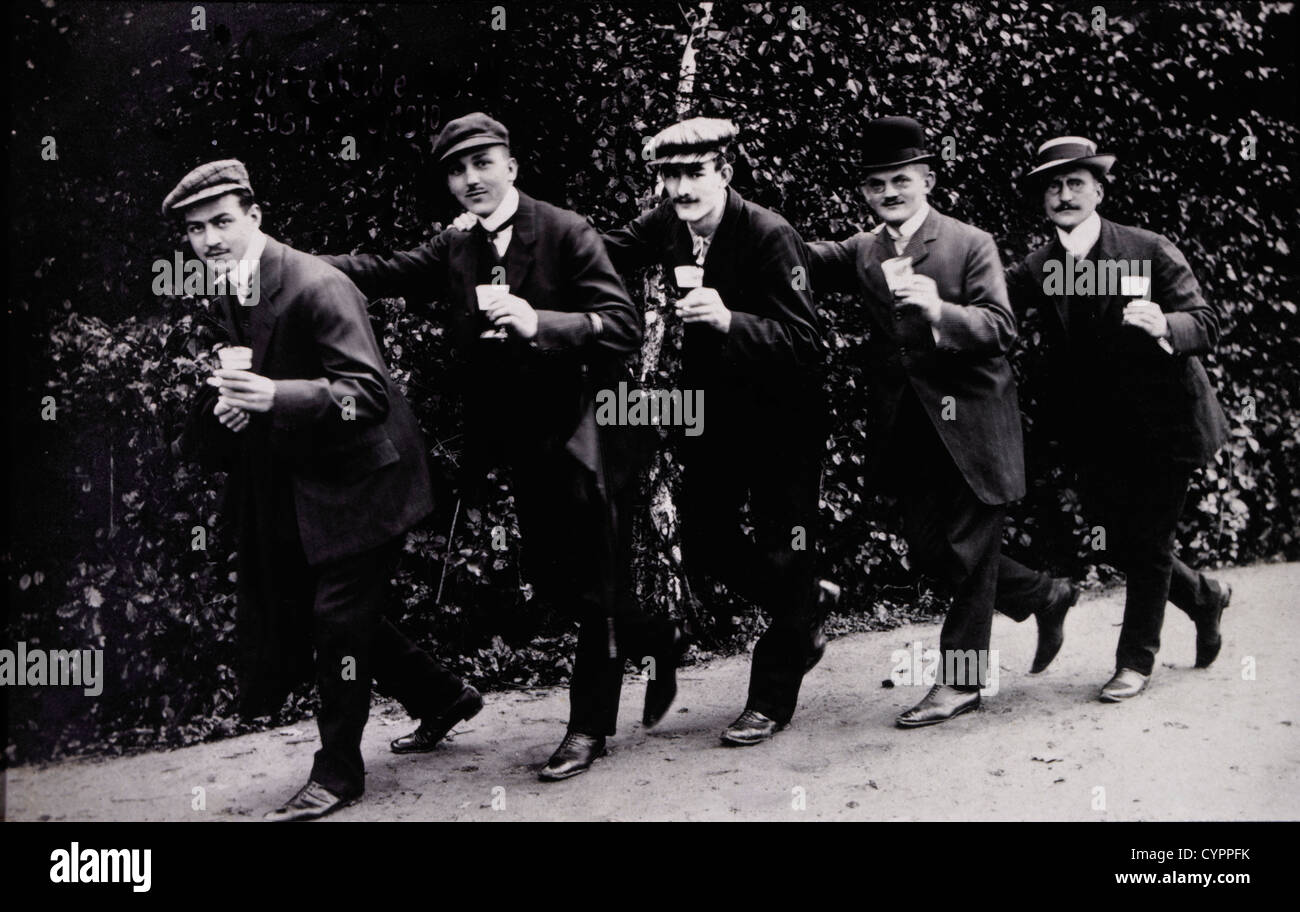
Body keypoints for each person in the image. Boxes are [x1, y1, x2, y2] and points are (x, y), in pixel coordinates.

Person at [320, 113, 684, 780]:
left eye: (482, 163)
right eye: (457, 170)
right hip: (526, 440)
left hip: (592, 429)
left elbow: (623, 326)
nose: (470, 179)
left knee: (594, 585)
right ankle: (655, 635)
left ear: (510, 166)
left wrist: (539, 320)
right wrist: (285, 262)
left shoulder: (566, 231)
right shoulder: (458, 246)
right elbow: (384, 271)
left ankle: (587, 729)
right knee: (555, 581)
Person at [167, 159, 477, 821]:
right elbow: (260, 380)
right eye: (197, 230)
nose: (211, 239)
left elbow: (364, 395)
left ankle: (337, 774)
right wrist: (235, 409)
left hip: (369, 478)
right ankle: (443, 695)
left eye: (223, 221)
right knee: (329, 609)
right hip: (309, 479)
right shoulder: (232, 289)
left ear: (255, 216)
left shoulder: (318, 284)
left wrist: (276, 396)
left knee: (337, 622)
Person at [805, 116, 1079, 728]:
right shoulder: (863, 249)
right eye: (876, 185)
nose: (890, 193)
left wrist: (940, 311)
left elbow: (1000, 328)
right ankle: (1045, 594)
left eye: (901, 179)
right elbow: (798, 260)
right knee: (933, 552)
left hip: (976, 421)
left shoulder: (968, 242)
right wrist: (720, 221)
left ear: (927, 179)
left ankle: (959, 683)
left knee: (972, 549)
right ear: (865, 193)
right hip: (911, 429)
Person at [602, 117, 835, 747]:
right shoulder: (667, 227)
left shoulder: (768, 233)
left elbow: (809, 344)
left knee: (786, 546)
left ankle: (769, 697)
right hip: (717, 415)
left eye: (693, 173)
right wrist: (511, 240)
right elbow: (599, 249)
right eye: (669, 175)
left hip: (785, 416)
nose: (680, 188)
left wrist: (732, 321)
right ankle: (804, 605)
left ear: (723, 174)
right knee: (703, 537)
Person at [1006, 136, 1232, 702]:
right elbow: (991, 308)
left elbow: (1205, 321)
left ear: (1099, 190)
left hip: (1167, 424)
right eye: (1053, 187)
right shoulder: (1039, 268)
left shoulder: (1146, 248)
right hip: (1099, 435)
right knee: (1122, 543)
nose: (1064, 195)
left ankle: (1134, 661)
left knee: (1149, 543)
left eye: (1075, 183)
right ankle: (1204, 597)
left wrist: (1165, 325)